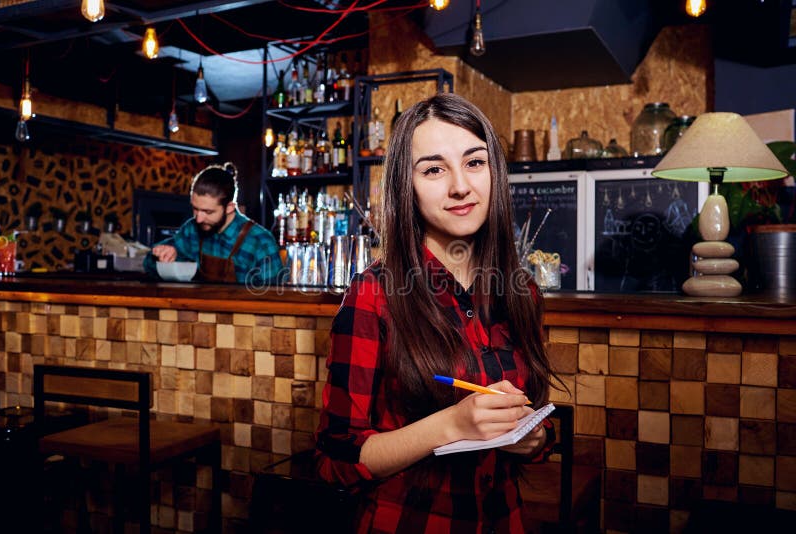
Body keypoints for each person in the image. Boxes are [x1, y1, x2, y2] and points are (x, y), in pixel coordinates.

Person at [315, 93, 560, 533]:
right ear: (405, 187)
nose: (460, 186)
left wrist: (533, 437)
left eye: (474, 162)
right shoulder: (374, 295)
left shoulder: (521, 291)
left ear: (494, 173)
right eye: (433, 169)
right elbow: (338, 461)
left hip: (504, 520)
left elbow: (533, 411)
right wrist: (450, 424)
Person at [144, 162, 283, 285]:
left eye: (208, 212)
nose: (198, 218)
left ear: (229, 207)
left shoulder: (260, 242)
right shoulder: (191, 230)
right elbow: (148, 265)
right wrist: (164, 254)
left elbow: (275, 299)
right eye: (195, 209)